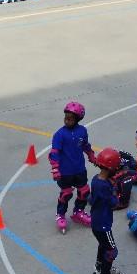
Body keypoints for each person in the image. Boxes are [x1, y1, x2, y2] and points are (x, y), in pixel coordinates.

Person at [50, 100, 98, 234]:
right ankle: (60, 214)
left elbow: (85, 145)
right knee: (66, 194)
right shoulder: (59, 134)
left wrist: (91, 155)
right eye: (66, 117)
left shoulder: (82, 131)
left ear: (78, 119)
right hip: (65, 172)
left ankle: (79, 212)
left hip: (79, 169)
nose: (67, 120)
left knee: (84, 191)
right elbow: (54, 153)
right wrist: (55, 169)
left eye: (71, 118)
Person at [88, 147, 126, 274]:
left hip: (97, 221)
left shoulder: (96, 180)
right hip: (103, 224)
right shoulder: (105, 186)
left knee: (103, 245)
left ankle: (99, 267)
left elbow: (92, 199)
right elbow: (114, 203)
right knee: (111, 250)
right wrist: (116, 189)